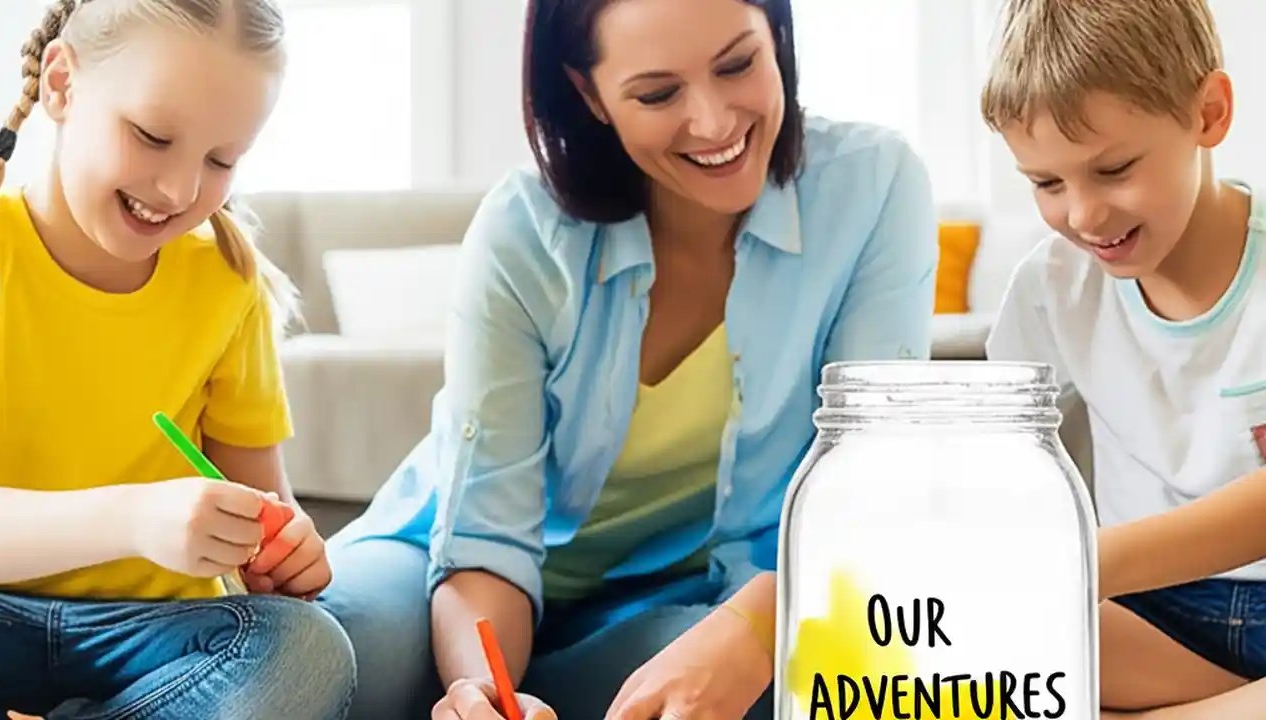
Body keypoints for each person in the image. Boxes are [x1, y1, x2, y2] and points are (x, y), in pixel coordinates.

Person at [319, 0, 938, 717]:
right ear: (589, 95)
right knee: (322, 653)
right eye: (657, 93)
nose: (712, 122)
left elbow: (869, 485)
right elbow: (484, 537)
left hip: (705, 593)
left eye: (738, 64)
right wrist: (484, 692)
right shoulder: (526, 233)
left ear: (780, 37)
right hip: (460, 581)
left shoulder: (873, 185)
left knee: (827, 678)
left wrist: (756, 629)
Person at [0, 1, 355, 718]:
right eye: (153, 136)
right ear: (62, 85)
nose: (180, 191)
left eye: (221, 160)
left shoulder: (227, 286)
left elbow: (263, 512)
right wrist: (131, 519)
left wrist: (282, 554)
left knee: (307, 647)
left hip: (157, 635)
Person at [982, 0, 1266, 717]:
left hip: (1122, 572)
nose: (1082, 215)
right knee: (969, 635)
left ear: (1208, 114)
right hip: (1145, 622)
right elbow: (996, 468)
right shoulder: (1050, 290)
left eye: (1113, 169)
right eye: (1046, 183)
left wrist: (1089, 558)